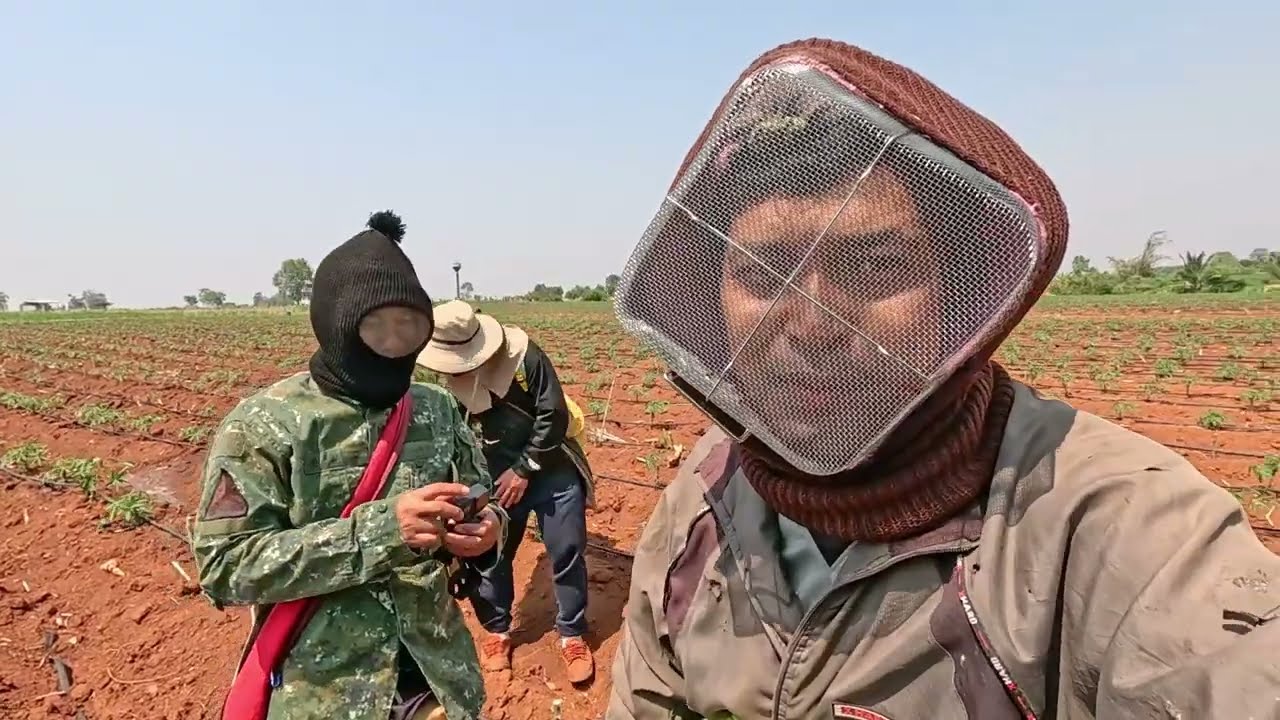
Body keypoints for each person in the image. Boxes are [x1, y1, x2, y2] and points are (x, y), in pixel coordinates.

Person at [607, 39, 1280, 719]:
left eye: (876, 266)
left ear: (962, 293)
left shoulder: (1116, 525)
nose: (811, 324)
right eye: (762, 274)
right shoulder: (704, 495)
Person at [191, 212, 505, 720]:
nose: (393, 344)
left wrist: (488, 530)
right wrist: (383, 530)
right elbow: (225, 568)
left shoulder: (436, 407)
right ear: (336, 325)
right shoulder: (266, 424)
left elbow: (480, 494)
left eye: (408, 326)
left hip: (438, 676)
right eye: (375, 327)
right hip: (326, 694)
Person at [416, 300, 596, 685]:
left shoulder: (524, 355)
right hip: (492, 477)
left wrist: (524, 468)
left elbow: (553, 415)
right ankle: (498, 632)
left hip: (549, 467)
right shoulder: (442, 382)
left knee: (566, 548)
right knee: (490, 552)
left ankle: (572, 633)